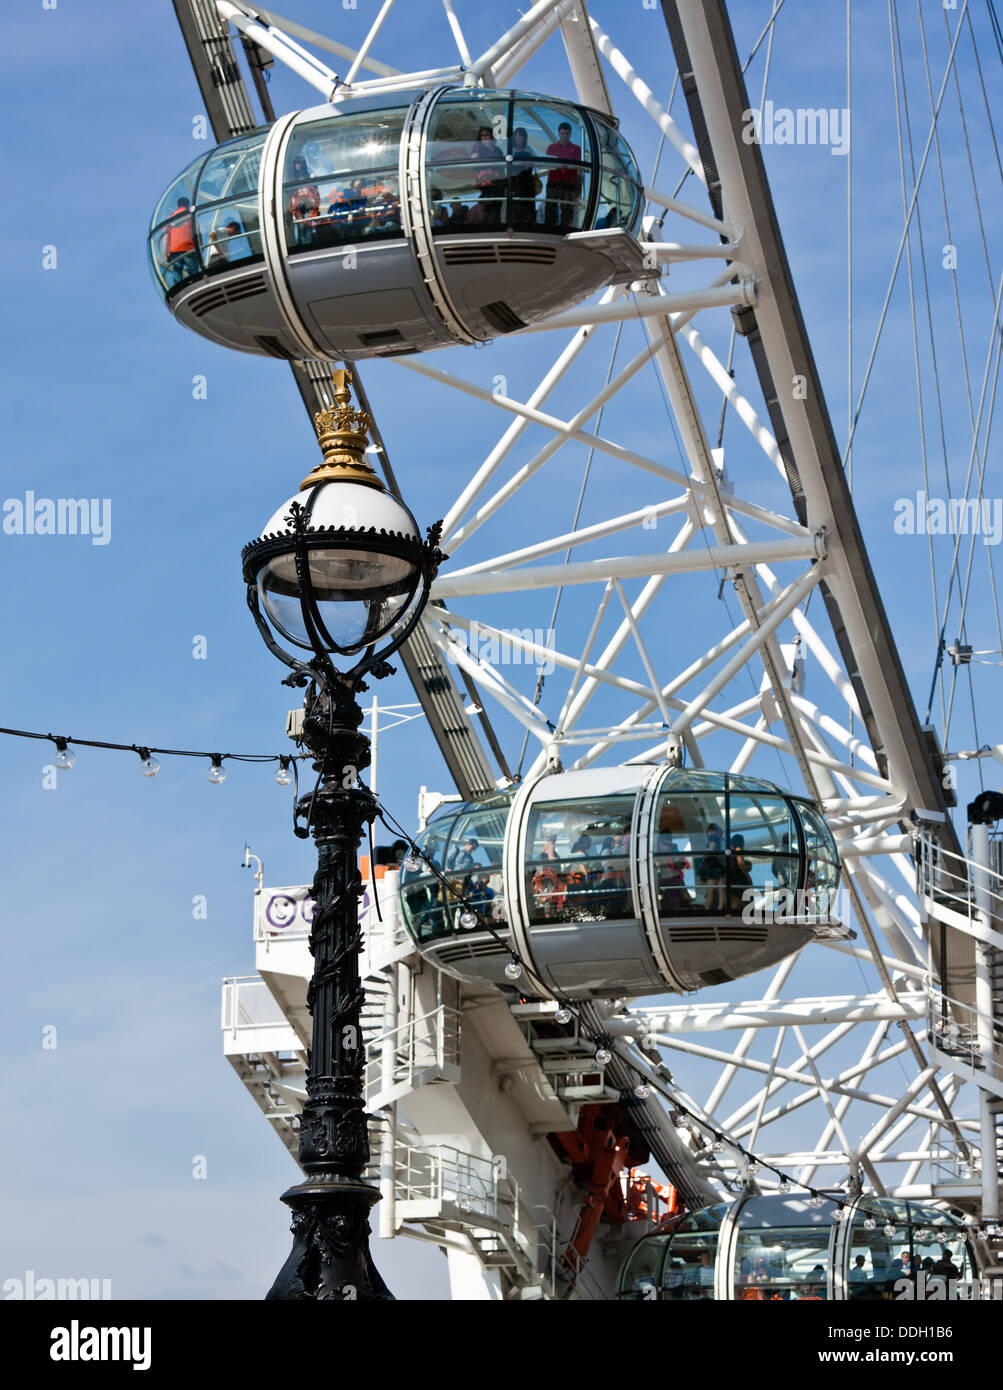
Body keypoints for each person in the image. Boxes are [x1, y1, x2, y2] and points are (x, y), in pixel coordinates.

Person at [544, 121, 582, 228]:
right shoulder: (551, 148)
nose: (565, 136)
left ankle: (565, 229)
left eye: (567, 133)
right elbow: (548, 165)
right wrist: (561, 166)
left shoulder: (576, 149)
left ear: (570, 134)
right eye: (563, 133)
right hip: (554, 182)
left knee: (567, 209)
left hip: (569, 183)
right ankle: (549, 228)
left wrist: (565, 166)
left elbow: (579, 166)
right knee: (550, 207)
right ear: (559, 133)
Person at [470, 125, 506, 227]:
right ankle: (489, 225)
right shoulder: (478, 148)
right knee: (488, 204)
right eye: (482, 135)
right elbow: (474, 162)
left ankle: (495, 224)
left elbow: (502, 163)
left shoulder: (497, 149)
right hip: (486, 182)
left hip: (498, 181)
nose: (485, 137)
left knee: (498, 205)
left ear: (491, 136)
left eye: (487, 135)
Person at [161, 196, 199, 286]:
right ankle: (195, 286)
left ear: (178, 205)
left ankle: (179, 288)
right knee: (193, 272)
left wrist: (166, 253)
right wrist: (200, 248)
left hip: (174, 250)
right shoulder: (190, 216)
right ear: (188, 205)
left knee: (177, 272)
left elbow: (166, 236)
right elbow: (197, 233)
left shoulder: (170, 218)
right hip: (189, 248)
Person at [287, 154, 320, 245]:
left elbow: (316, 192)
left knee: (306, 224)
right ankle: (302, 243)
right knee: (300, 226)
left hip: (308, 205)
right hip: (298, 205)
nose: (298, 166)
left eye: (300, 163)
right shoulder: (293, 179)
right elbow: (291, 194)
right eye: (296, 164)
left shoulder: (310, 176)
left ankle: (308, 244)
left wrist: (315, 204)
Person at [510, 126, 538, 229]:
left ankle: (529, 224)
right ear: (514, 137)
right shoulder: (511, 149)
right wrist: (523, 163)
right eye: (518, 136)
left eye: (522, 136)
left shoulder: (528, 149)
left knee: (529, 204)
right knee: (517, 204)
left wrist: (529, 163)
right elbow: (508, 162)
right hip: (516, 181)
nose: (520, 139)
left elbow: (536, 161)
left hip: (527, 182)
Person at [697, 823, 727, 912]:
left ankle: (707, 909)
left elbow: (711, 849)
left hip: (713, 868)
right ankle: (721, 908)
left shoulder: (712, 837)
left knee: (710, 891)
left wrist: (702, 854)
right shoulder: (721, 839)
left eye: (708, 831)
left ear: (710, 830)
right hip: (722, 867)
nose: (708, 833)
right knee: (721, 890)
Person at [728, 833, 753, 912]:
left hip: (729, 878)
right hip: (737, 879)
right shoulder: (737, 848)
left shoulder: (729, 850)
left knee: (734, 900)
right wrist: (747, 876)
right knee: (744, 900)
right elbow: (741, 863)